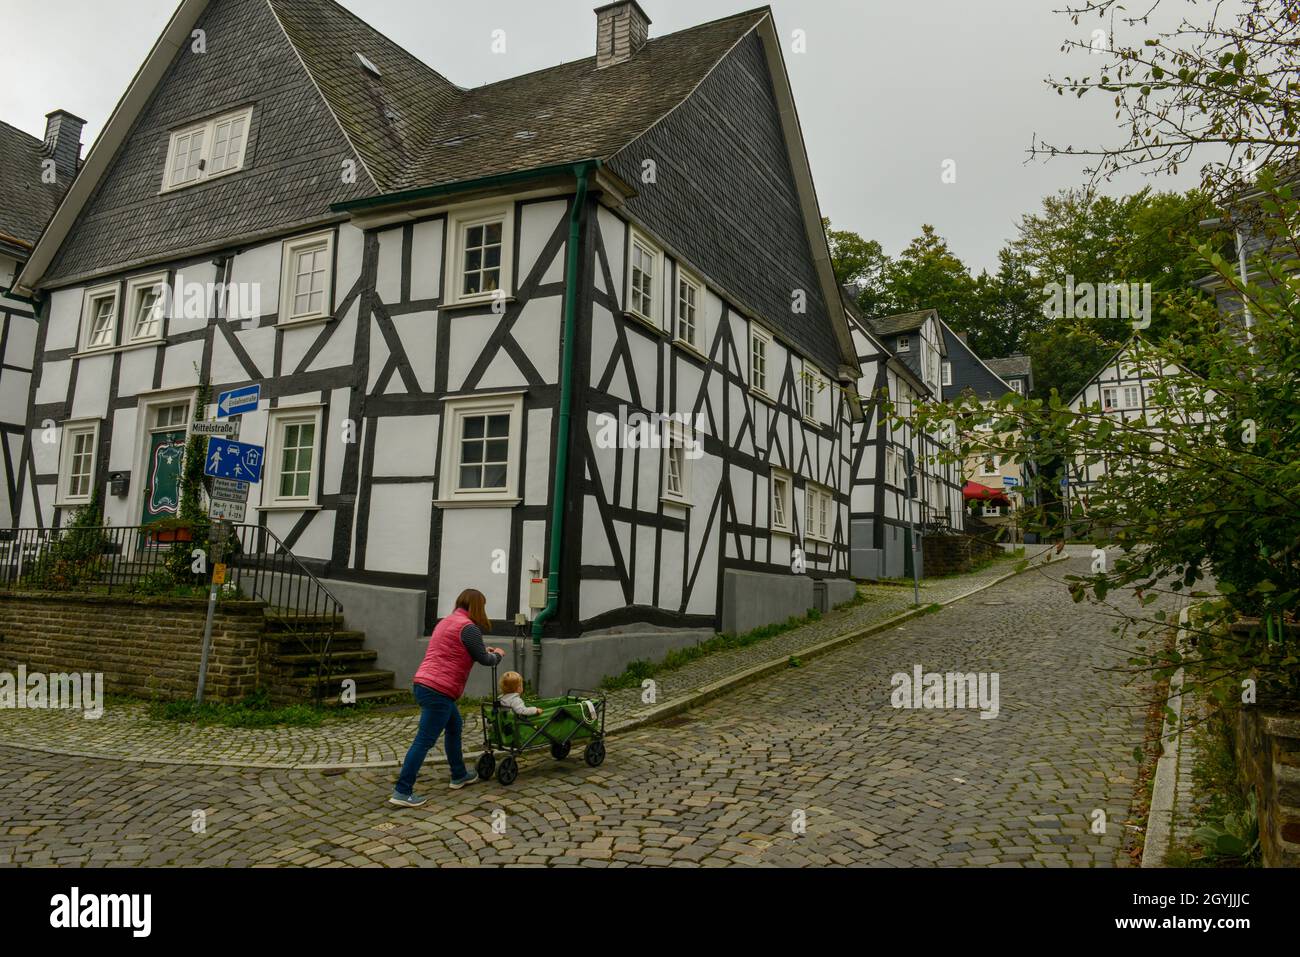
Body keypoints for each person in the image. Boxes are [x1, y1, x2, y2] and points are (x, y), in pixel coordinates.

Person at [390, 588, 505, 808]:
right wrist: (497, 654)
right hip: (439, 689)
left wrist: (483, 650)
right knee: (424, 741)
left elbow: (458, 649)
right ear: (477, 606)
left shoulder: (446, 621)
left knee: (455, 726)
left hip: (424, 682)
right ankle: (402, 791)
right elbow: (485, 660)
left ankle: (459, 774)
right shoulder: (469, 628)